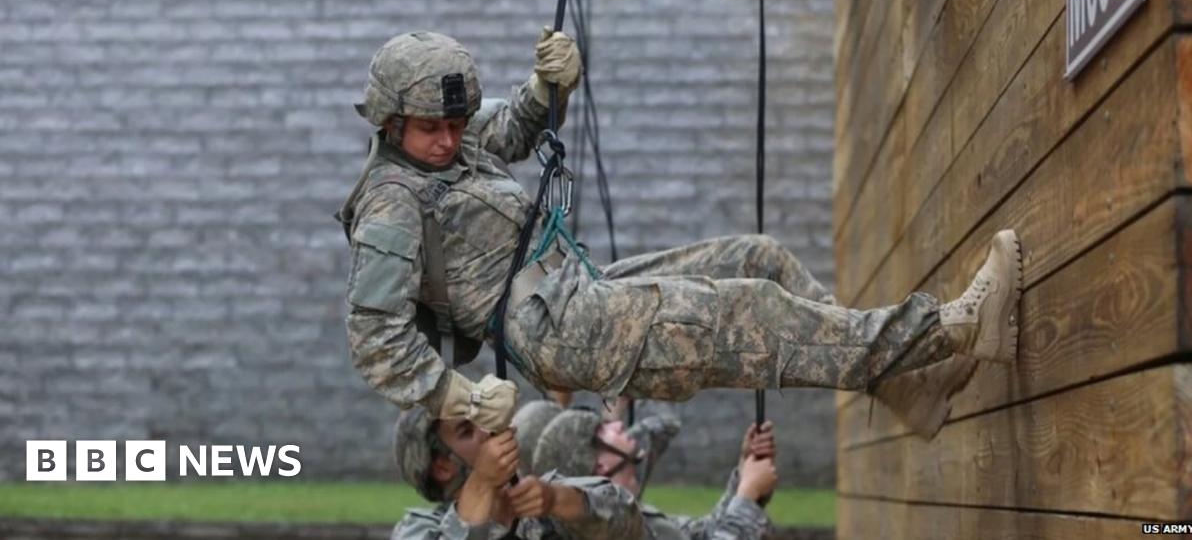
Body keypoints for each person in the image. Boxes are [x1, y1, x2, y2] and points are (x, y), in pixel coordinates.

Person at [337, 27, 1024, 442]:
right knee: (748, 312)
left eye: (456, 124)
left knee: (758, 259)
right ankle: (953, 328)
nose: (449, 139)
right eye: (431, 128)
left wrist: (549, 86)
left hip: (576, 287)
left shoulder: (453, 141)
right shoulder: (390, 205)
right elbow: (375, 336)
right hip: (556, 330)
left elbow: (514, 129)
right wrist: (458, 398)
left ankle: (904, 386)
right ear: (390, 121)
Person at [390, 405, 646, 539]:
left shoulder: (547, 498)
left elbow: (632, 524)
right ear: (442, 467)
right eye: (467, 431)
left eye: (484, 416)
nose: (488, 430)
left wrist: (558, 500)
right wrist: (482, 484)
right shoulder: (420, 531)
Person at [531, 409, 777, 539]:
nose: (618, 425)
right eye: (602, 429)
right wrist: (747, 496)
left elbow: (702, 534)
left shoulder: (638, 517)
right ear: (598, 465)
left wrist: (744, 473)